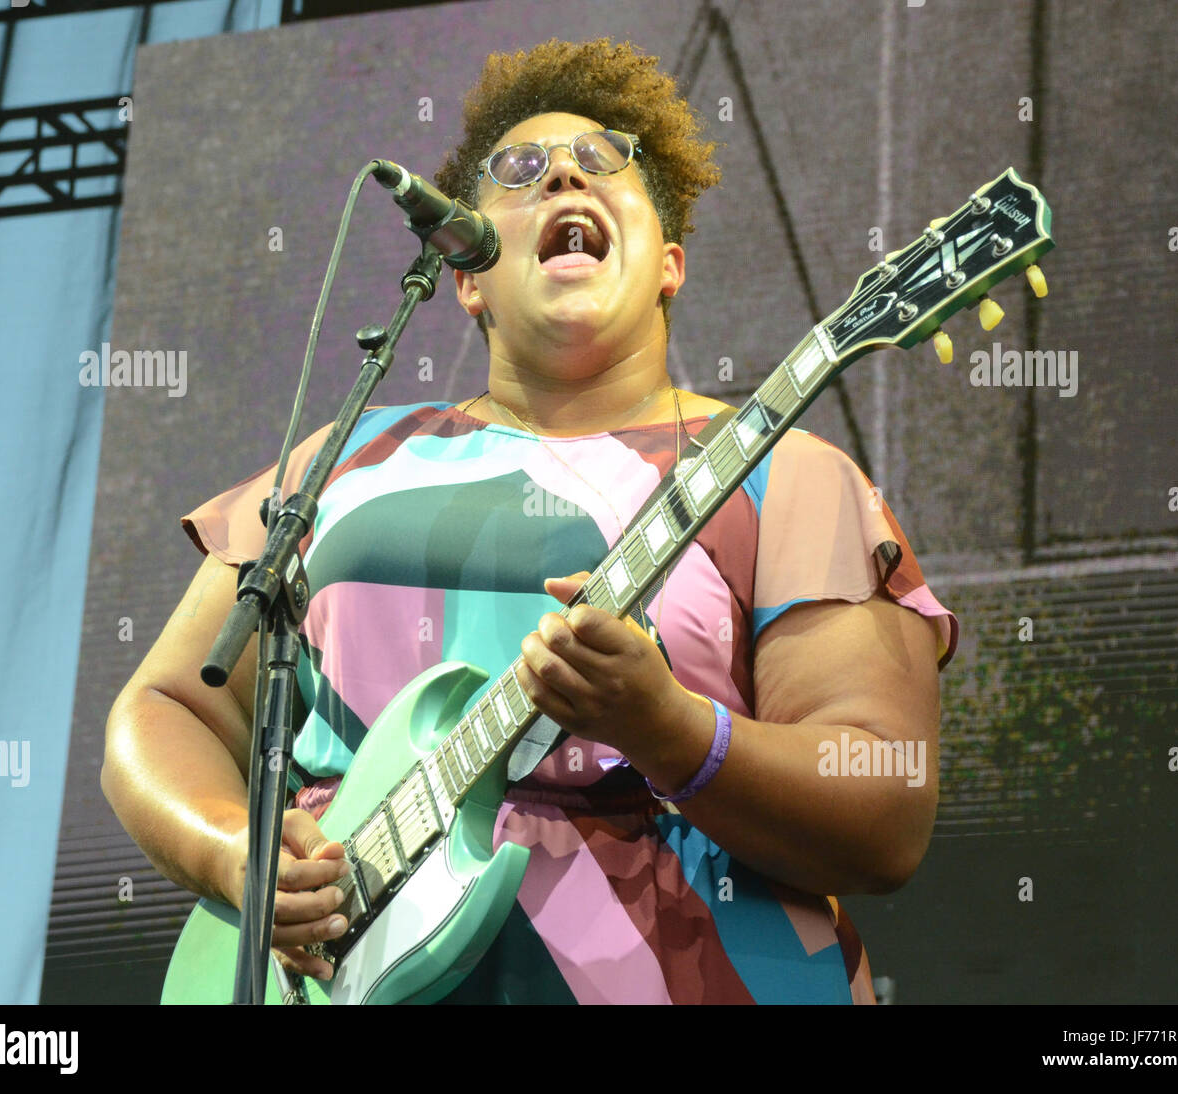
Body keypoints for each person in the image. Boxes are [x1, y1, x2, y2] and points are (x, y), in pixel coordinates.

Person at [102, 37, 956, 1004]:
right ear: (465, 275)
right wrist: (238, 856)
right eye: (520, 171)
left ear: (669, 263)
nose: (560, 172)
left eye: (604, 162)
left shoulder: (785, 475)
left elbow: (884, 810)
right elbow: (169, 707)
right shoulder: (339, 460)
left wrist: (672, 731)